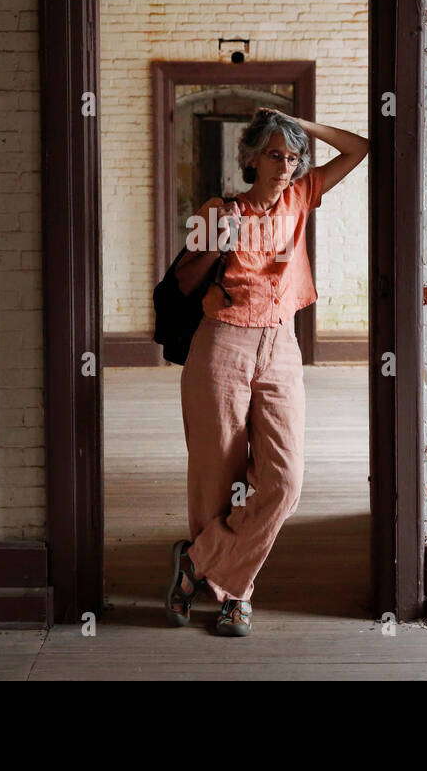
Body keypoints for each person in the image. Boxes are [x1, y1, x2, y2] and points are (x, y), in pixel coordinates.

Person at [165, 106, 368, 636]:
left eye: (294, 156)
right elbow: (185, 281)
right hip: (221, 343)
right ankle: (237, 593)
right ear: (251, 158)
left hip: (280, 344)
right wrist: (217, 239)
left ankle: (196, 562)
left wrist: (299, 123)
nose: (287, 164)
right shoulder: (219, 209)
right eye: (276, 154)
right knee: (217, 478)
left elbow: (359, 147)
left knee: (283, 480)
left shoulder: (301, 197)